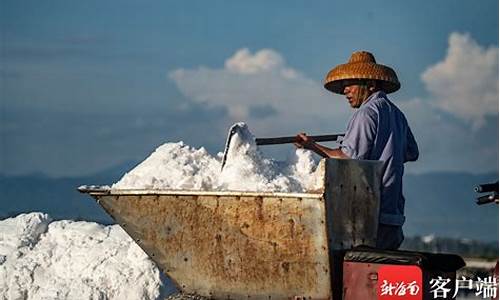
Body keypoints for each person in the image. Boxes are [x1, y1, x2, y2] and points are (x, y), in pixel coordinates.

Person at [294, 51, 419, 250]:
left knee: (359, 274)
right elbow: (412, 153)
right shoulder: (397, 114)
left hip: (369, 215)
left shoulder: (366, 113)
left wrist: (311, 145)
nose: (345, 90)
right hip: (393, 213)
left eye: (351, 84)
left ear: (370, 85)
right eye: (344, 85)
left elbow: (347, 158)